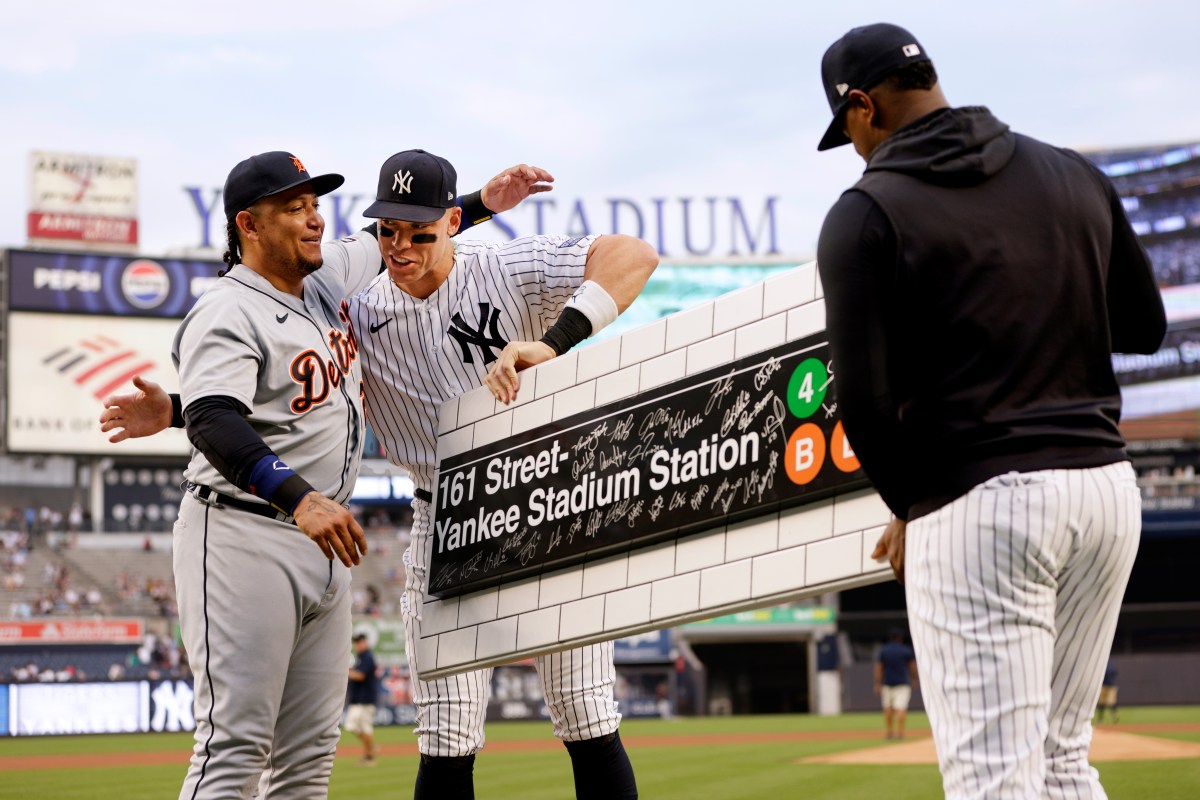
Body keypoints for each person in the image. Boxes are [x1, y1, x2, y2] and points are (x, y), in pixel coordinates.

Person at [102, 149, 655, 800]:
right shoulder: (350, 303)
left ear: (451, 223)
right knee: (441, 734)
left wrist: (551, 333)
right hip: (430, 514)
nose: (400, 246)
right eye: (388, 230)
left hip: (542, 501)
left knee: (585, 713)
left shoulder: (488, 267)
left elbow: (634, 255)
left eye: (420, 232)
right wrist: (186, 413)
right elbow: (244, 402)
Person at [814, 23, 1166, 799]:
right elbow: (1145, 327)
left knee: (992, 782)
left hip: (979, 502)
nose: (855, 150)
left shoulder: (866, 211)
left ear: (864, 106)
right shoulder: (1072, 172)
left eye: (848, 131)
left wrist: (912, 506)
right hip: (1105, 490)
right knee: (1064, 764)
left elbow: (865, 407)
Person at [874, 627, 917, 740]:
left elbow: (879, 667)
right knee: (901, 708)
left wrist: (877, 683)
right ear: (900, 638)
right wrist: (914, 679)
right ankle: (900, 733)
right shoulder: (906, 650)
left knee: (887, 708)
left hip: (887, 682)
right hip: (903, 683)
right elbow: (912, 666)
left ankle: (889, 732)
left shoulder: (884, 650)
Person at [345, 632, 382, 765]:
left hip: (365, 699)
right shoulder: (359, 657)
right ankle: (371, 747)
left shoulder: (368, 657)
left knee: (363, 727)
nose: (357, 645)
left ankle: (369, 757)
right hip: (357, 699)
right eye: (356, 642)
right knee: (351, 726)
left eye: (360, 642)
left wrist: (345, 672)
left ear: (365, 642)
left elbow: (361, 675)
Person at [1095, 659, 1119, 724]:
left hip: (1110, 686)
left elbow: (1115, 673)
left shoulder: (1111, 664)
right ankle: (1100, 718)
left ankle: (1114, 716)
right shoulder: (1103, 663)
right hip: (1103, 686)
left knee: (1111, 702)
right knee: (1102, 703)